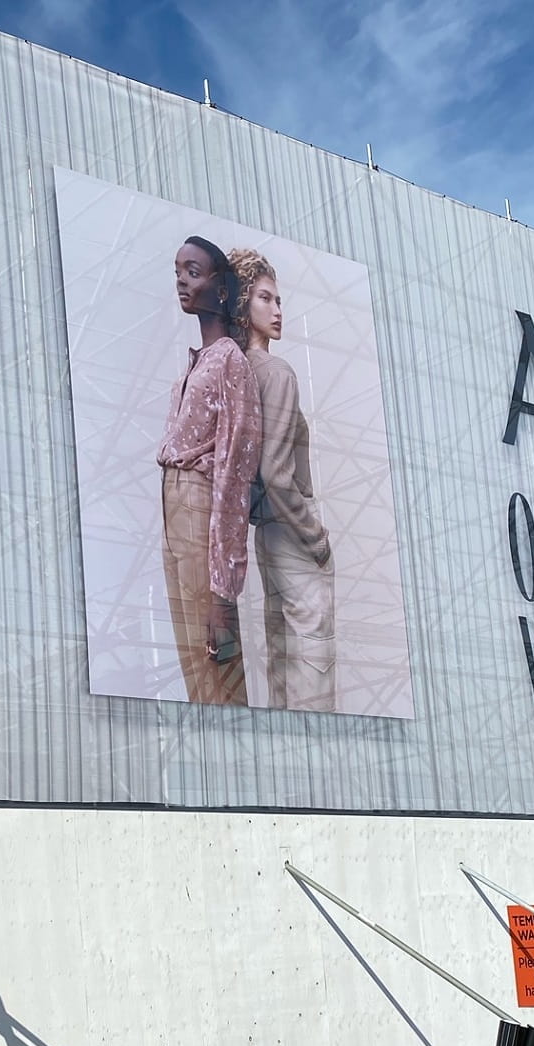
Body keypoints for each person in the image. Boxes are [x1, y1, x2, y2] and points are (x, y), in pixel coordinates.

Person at [229, 249, 335, 711]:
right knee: (314, 661)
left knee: (281, 655)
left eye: (278, 299)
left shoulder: (237, 372)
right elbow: (276, 470)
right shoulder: (277, 372)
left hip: (266, 534)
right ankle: (326, 767)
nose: (277, 310)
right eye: (265, 298)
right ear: (243, 307)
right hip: (293, 528)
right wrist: (317, 538)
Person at [158, 235, 261, 706]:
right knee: (190, 657)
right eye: (178, 270)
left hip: (202, 504)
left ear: (221, 289)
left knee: (215, 651)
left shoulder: (231, 363)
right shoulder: (193, 363)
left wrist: (224, 587)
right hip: (174, 505)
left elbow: (235, 473)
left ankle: (241, 761)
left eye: (193, 272)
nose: (181, 279)